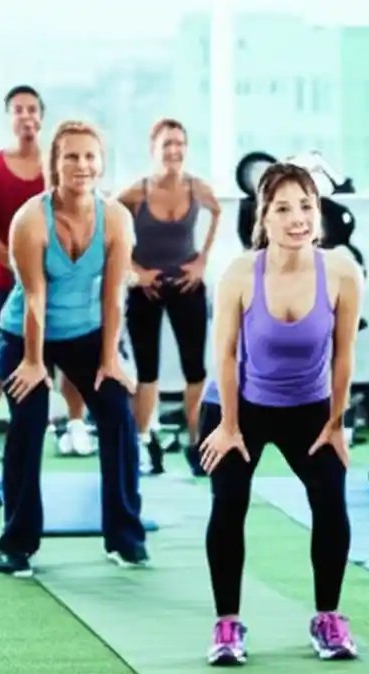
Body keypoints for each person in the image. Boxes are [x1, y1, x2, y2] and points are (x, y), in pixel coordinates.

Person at [198, 162, 362, 666]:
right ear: (263, 218)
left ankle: (328, 618)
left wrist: (336, 425)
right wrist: (227, 427)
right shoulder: (241, 273)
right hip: (238, 405)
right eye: (284, 209)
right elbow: (224, 354)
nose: (298, 219)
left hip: (310, 408)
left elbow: (344, 354)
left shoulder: (339, 270)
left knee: (331, 504)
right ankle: (227, 625)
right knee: (229, 503)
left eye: (307, 207)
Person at [0, 120, 147, 577]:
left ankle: (124, 537)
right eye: (71, 157)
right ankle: (16, 543)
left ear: (101, 163)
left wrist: (110, 359)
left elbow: (113, 293)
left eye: (90, 156)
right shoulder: (30, 219)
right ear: (54, 164)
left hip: (86, 332)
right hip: (24, 335)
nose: (82, 165)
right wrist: (34, 362)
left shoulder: (115, 217)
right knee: (29, 416)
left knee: (118, 413)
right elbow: (35, 296)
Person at [0, 84, 93, 464]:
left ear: (41, 117)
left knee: (67, 353)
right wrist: (19, 263)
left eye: (32, 110)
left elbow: (77, 215)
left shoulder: (57, 169)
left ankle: (74, 426)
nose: (26, 116)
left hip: (55, 279)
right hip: (3, 279)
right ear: (10, 118)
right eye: (19, 110)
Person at [116, 118, 222, 477]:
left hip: (187, 287)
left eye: (179, 143)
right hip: (147, 289)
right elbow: (109, 230)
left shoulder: (198, 188)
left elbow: (218, 213)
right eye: (167, 144)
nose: (174, 150)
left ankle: (196, 445)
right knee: (148, 373)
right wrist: (134, 271)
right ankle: (146, 445)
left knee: (196, 371)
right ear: (154, 149)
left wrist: (202, 259)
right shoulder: (135, 193)